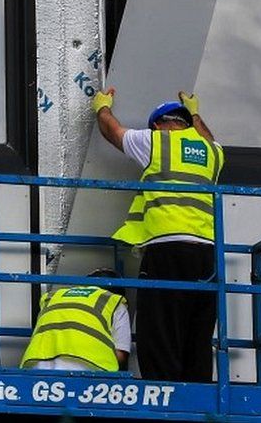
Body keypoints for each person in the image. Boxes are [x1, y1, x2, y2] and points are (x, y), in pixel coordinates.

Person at [91, 88, 223, 382]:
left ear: (158, 124)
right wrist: (196, 112)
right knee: (198, 331)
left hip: (167, 248)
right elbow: (208, 138)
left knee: (159, 328)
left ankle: (164, 393)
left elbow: (113, 132)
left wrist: (102, 107)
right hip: (207, 255)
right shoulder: (213, 152)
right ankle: (197, 397)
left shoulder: (155, 142)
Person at [20, 269, 131, 372]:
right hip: (89, 368)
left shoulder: (53, 296)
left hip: (37, 364)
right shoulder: (114, 301)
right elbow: (120, 354)